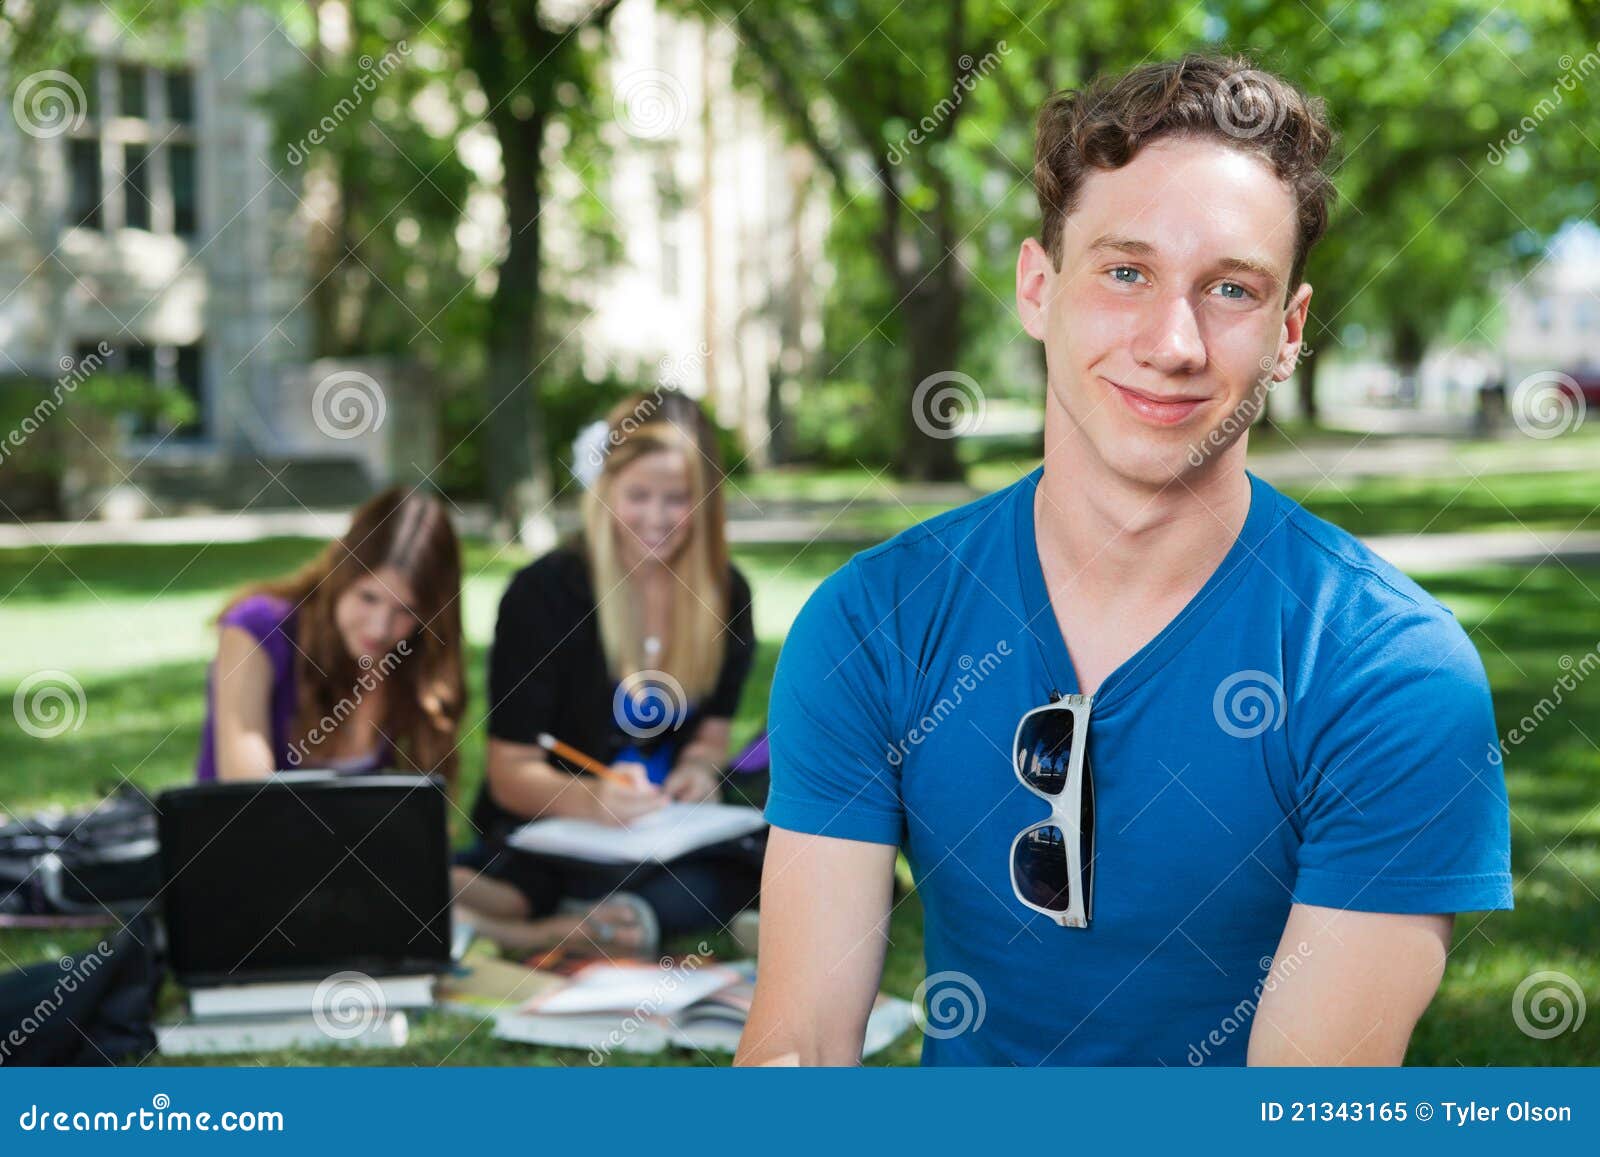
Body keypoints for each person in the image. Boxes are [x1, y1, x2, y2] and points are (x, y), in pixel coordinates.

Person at [737, 54, 1513, 1067]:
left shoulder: (1393, 672)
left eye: (1229, 288)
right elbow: (797, 1051)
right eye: (1125, 271)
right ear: (1037, 287)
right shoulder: (872, 623)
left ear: (1288, 333)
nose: (1172, 341)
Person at [452, 389, 760, 957]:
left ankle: (607, 917)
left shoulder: (727, 594)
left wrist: (697, 768)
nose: (656, 519)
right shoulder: (545, 594)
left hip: (665, 835)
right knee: (525, 880)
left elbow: (713, 732)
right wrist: (594, 799)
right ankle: (604, 914)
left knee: (783, 844)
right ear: (605, 489)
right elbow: (510, 772)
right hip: (549, 834)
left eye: (678, 499)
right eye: (638, 496)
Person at [197, 487, 466, 784]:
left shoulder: (413, 660)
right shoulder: (258, 629)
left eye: (406, 611)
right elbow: (248, 793)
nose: (379, 629)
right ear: (340, 575)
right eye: (368, 597)